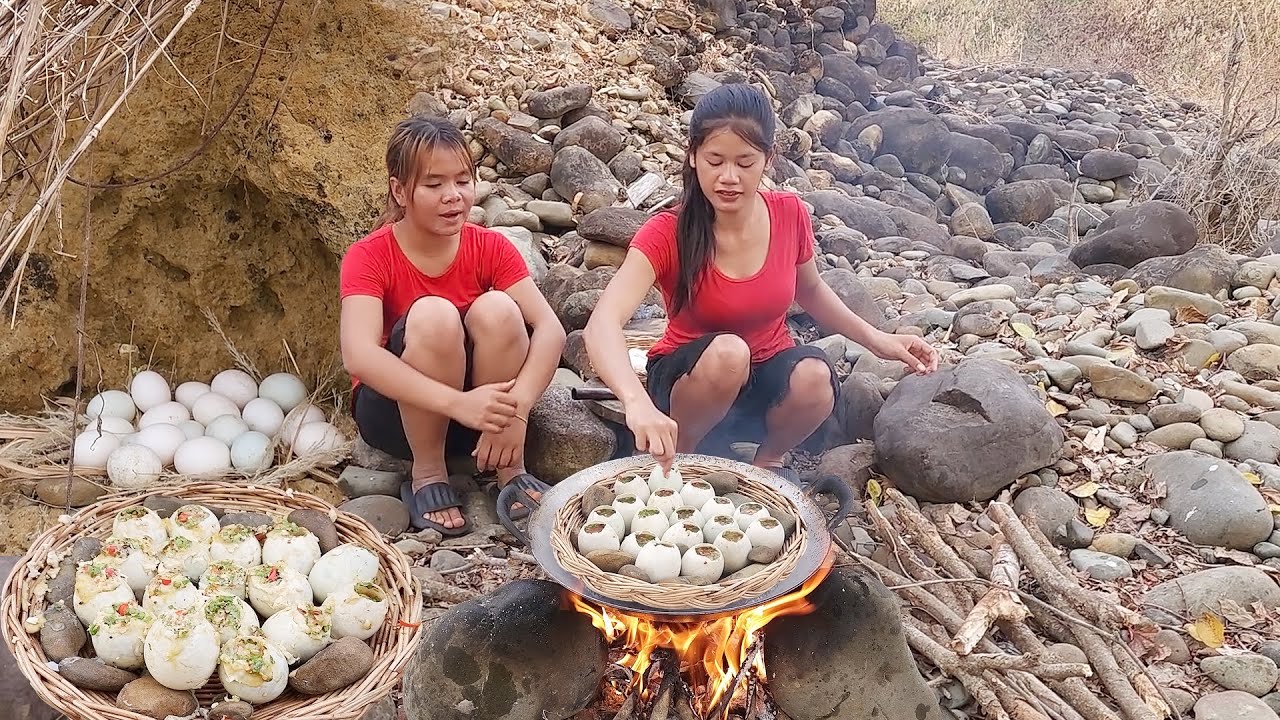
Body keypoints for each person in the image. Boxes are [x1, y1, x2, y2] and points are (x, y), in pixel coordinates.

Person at [583, 84, 939, 483]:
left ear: (767, 159)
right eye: (715, 161)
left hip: (763, 378)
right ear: (693, 155)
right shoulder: (668, 231)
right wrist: (636, 403)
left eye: (745, 162)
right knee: (730, 353)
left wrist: (880, 340)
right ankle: (677, 457)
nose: (729, 178)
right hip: (692, 382)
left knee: (815, 377)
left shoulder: (789, 213)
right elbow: (602, 324)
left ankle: (765, 466)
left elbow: (811, 291)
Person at [339, 116, 566, 535]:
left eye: (462, 181)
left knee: (499, 308)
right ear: (399, 190)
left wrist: (516, 413)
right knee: (434, 315)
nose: (453, 197)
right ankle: (428, 474)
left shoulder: (491, 247)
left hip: (481, 420)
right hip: (399, 420)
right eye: (434, 185)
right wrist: (457, 403)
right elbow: (359, 354)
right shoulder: (370, 255)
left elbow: (550, 328)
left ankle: (508, 468)